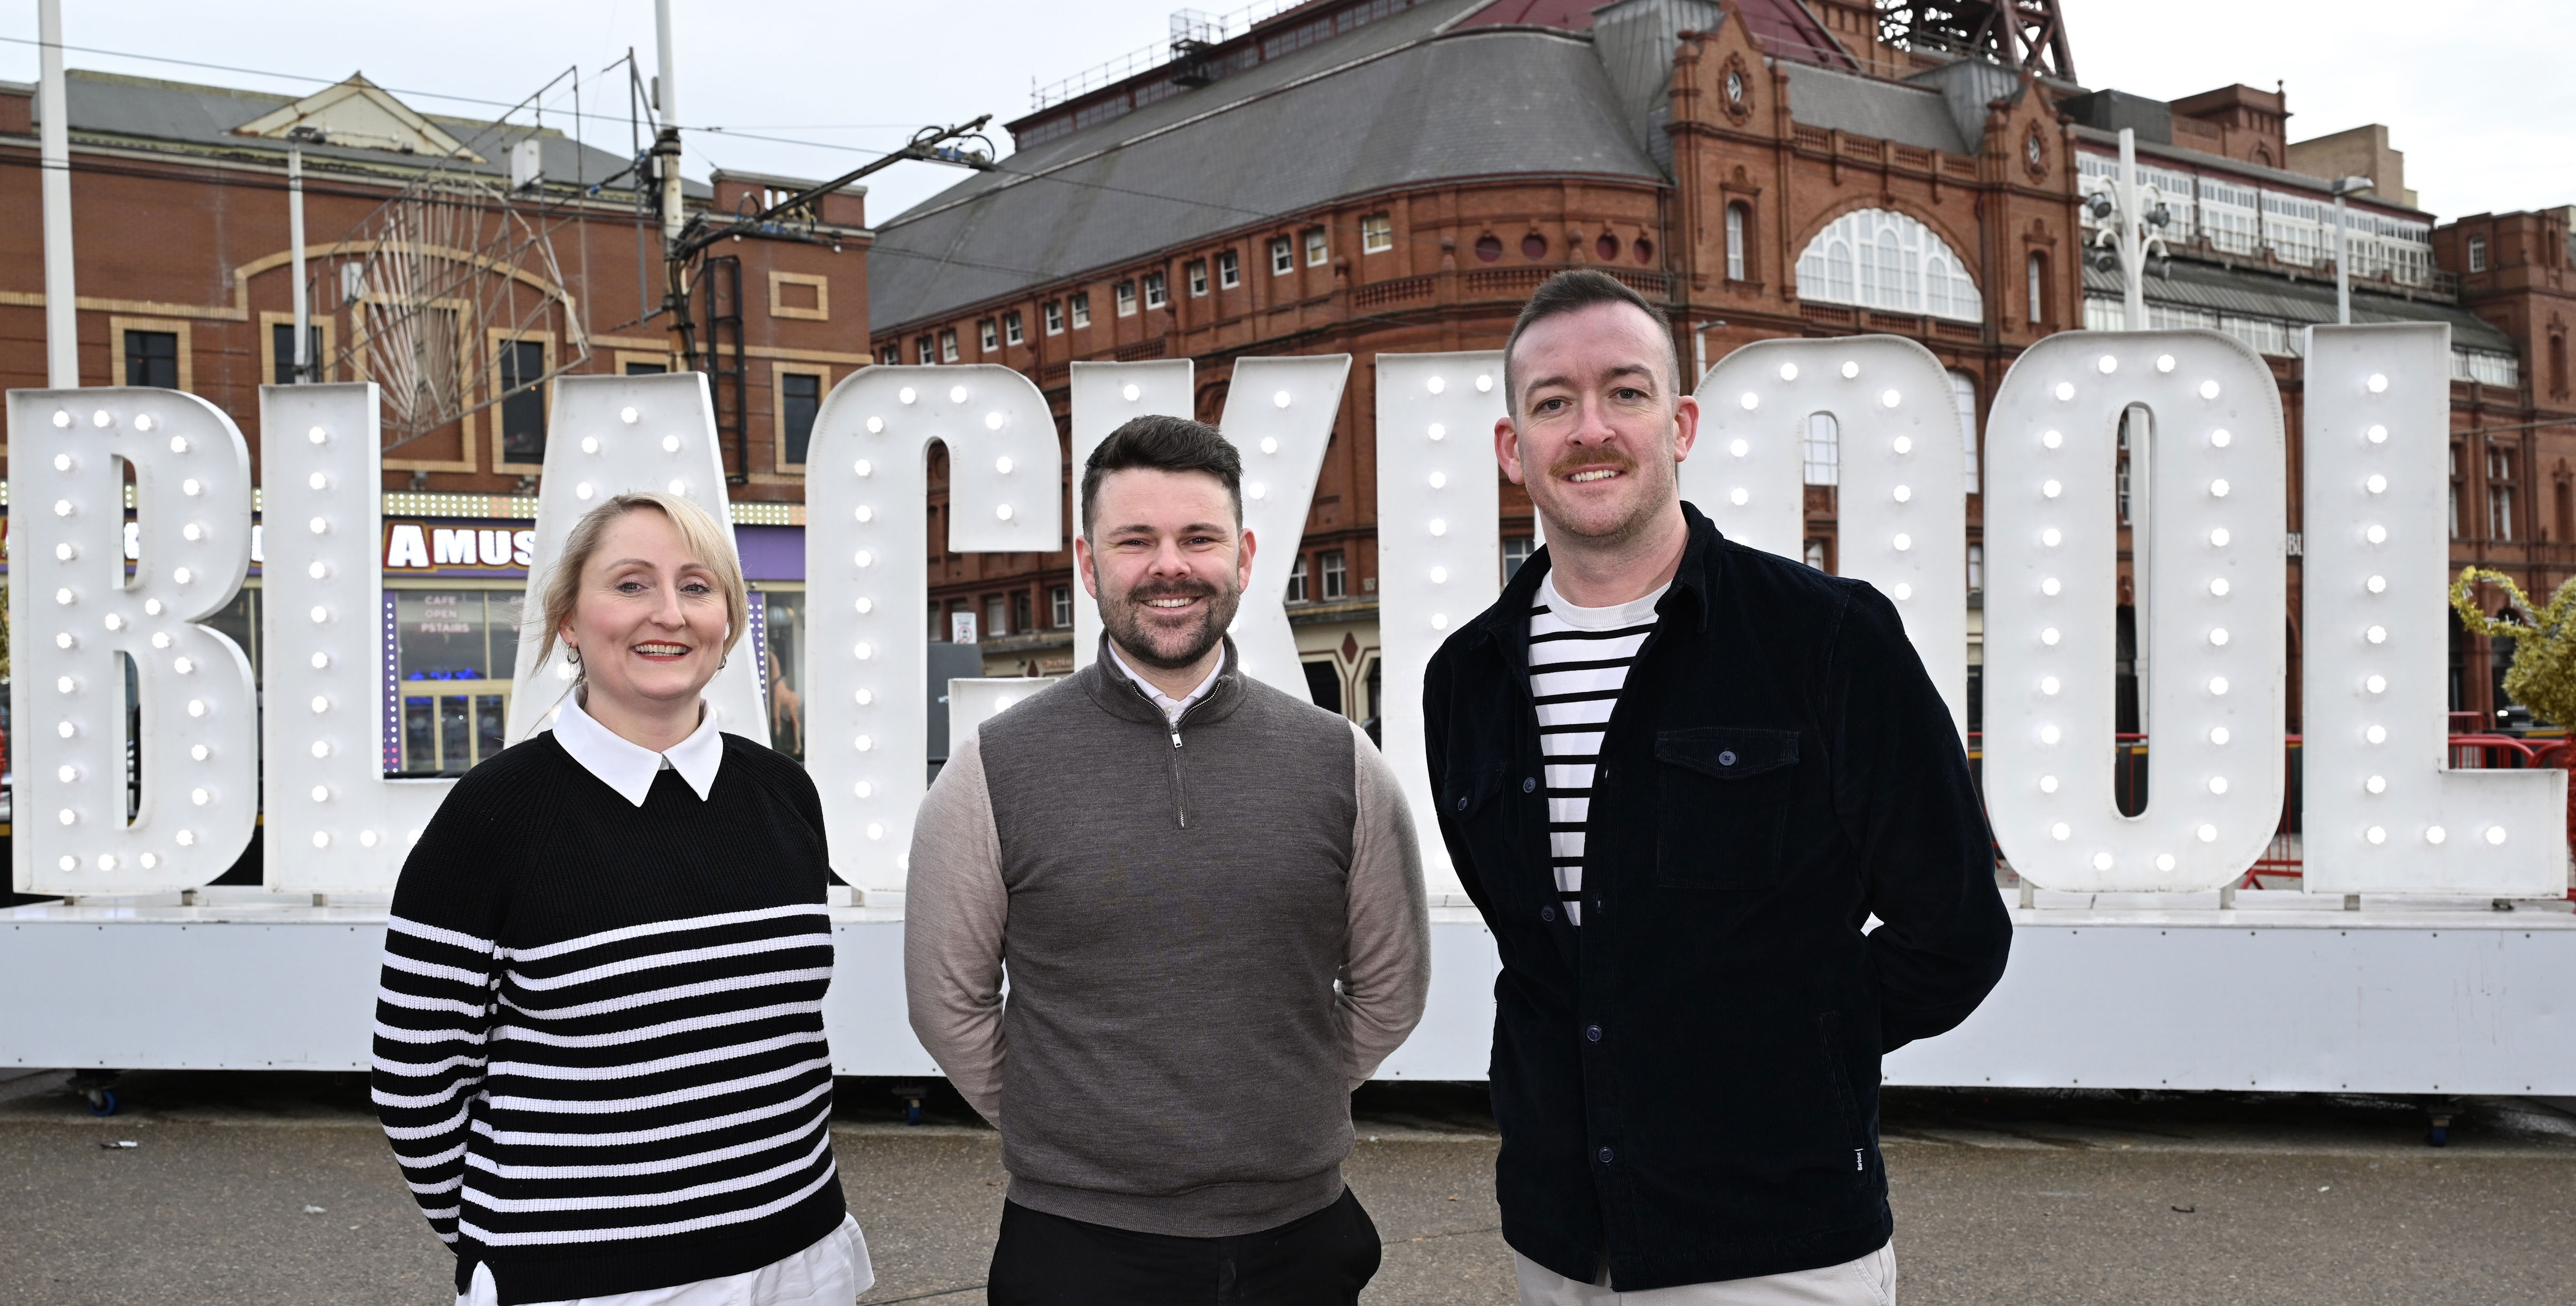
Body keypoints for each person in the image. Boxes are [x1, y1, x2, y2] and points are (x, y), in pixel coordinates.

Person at [1425, 271, 2012, 1304]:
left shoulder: (1828, 638)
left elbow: (1958, 930)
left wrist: (1791, 1044)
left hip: (1777, 1243)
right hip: (1559, 1241)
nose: (1590, 428)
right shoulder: (1465, 679)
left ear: (1681, 423)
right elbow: (1538, 950)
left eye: (1626, 392)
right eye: (1553, 401)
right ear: (1513, 446)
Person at [907, 415, 1432, 1305]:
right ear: (1088, 562)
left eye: (1198, 538)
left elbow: (1392, 991)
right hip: (1076, 1248)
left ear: (1246, 554)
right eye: (1135, 540)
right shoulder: (993, 767)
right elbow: (946, 1004)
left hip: (1299, 1241)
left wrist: (1280, 1095)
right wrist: (1077, 1123)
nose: (1169, 567)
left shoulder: (1340, 760)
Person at [372, 491, 870, 1306]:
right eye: (632, 585)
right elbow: (415, 1073)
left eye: (698, 586)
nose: (668, 613)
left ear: (730, 620)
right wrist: (511, 1240)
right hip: (587, 1284)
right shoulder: (493, 815)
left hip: (799, 1260)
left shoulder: (784, 794)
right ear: (569, 618)